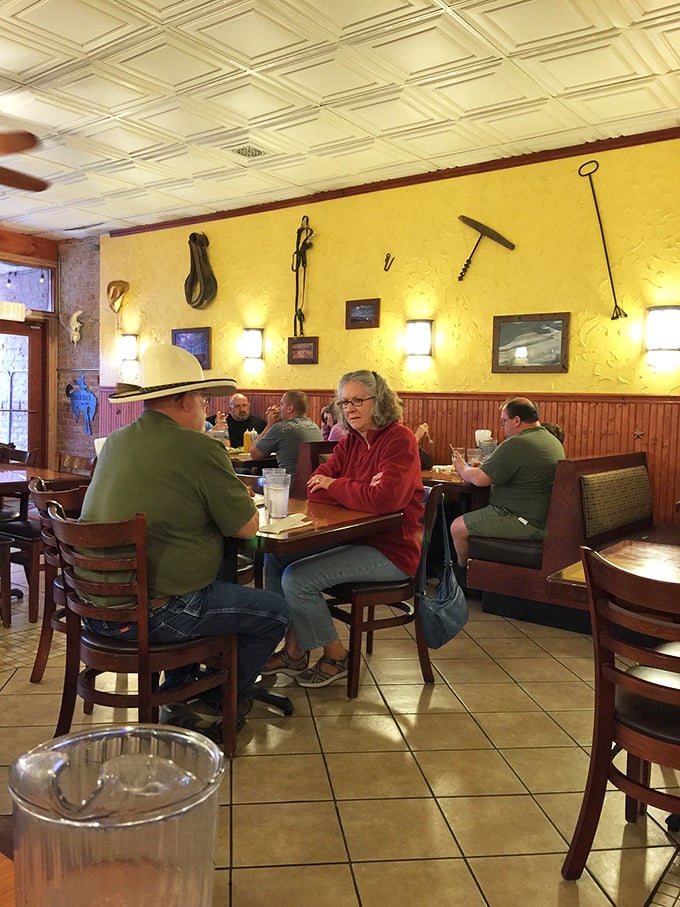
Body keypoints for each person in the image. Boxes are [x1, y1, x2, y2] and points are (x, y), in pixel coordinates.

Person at [79, 344, 290, 726]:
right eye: (202, 398)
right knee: (275, 612)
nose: (207, 407)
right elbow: (246, 528)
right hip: (154, 614)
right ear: (180, 400)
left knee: (200, 577)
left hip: (93, 610)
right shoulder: (200, 448)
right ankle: (220, 695)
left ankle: (184, 683)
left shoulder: (115, 441)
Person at [261, 370, 424, 688]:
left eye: (358, 400)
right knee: (275, 559)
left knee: (298, 578)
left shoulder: (399, 439)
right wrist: (359, 488)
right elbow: (313, 488)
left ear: (380, 401)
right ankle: (293, 648)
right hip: (353, 538)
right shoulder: (350, 441)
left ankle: (335, 655)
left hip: (392, 550)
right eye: (345, 401)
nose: (350, 408)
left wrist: (337, 484)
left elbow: (386, 499)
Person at [450, 396, 565, 571]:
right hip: (543, 519)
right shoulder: (550, 440)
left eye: (503, 421)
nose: (503, 427)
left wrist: (461, 467)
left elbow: (478, 480)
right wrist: (485, 468)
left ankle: (463, 577)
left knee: (457, 527)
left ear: (516, 420)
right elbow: (519, 470)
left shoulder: (517, 442)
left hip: (522, 521)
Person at [249, 389, 322, 474]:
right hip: (312, 482)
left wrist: (270, 425)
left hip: (290, 484)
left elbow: (254, 454)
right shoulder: (315, 427)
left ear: (290, 408)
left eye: (281, 405)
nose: (279, 409)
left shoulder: (280, 428)